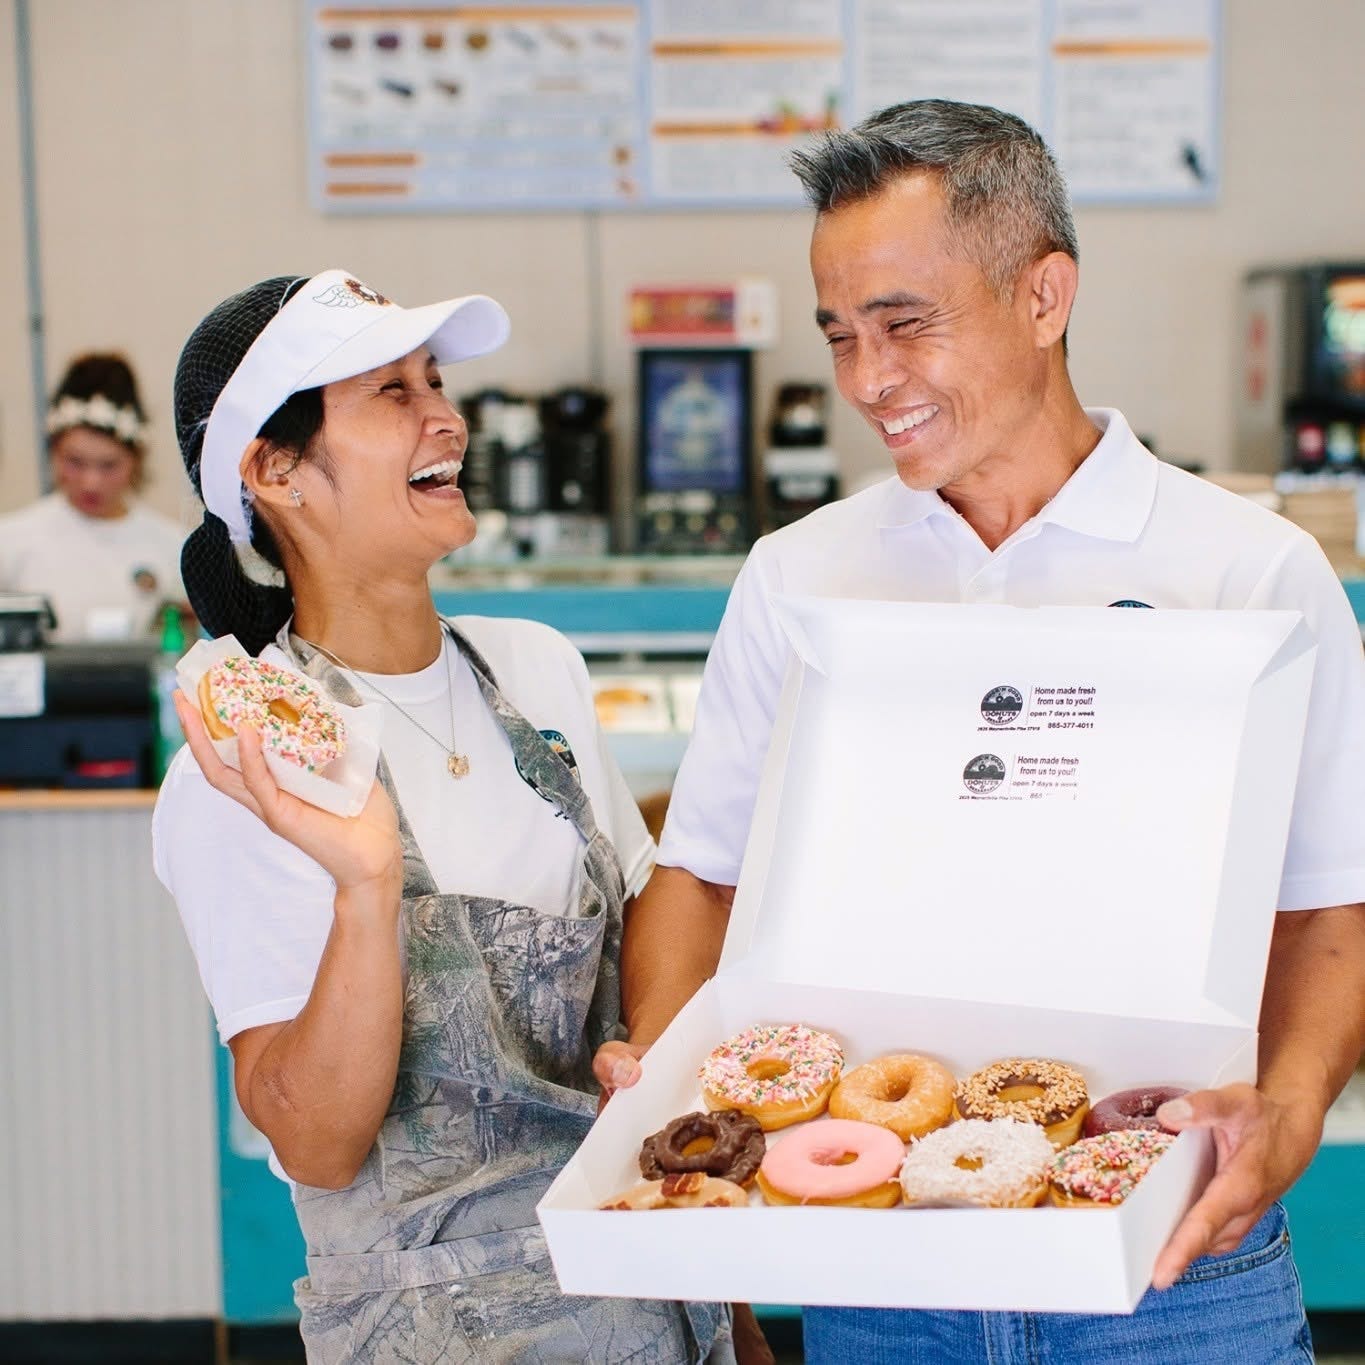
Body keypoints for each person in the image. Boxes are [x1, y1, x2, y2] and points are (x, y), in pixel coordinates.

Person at [598, 101, 1365, 1362]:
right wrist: (668, 1078)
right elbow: (702, 873)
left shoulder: (1248, 572)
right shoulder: (801, 576)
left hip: (1170, 1256)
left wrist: (1290, 1107)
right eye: (841, 335)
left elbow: (1331, 900)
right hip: (874, 1255)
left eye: (905, 324)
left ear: (1044, 295)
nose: (866, 380)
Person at [151, 270, 734, 1363]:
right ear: (276, 472)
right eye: (392, 392)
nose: (446, 418)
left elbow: (649, 902)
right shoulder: (254, 761)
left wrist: (652, 1064)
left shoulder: (536, 668)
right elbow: (317, 1143)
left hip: (654, 1282)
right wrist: (367, 885)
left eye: (436, 381)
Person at [0, 352, 186, 641]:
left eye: (108, 465)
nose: (91, 483)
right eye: (75, 462)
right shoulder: (11, 540)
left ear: (136, 460)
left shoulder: (173, 547)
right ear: (53, 452)